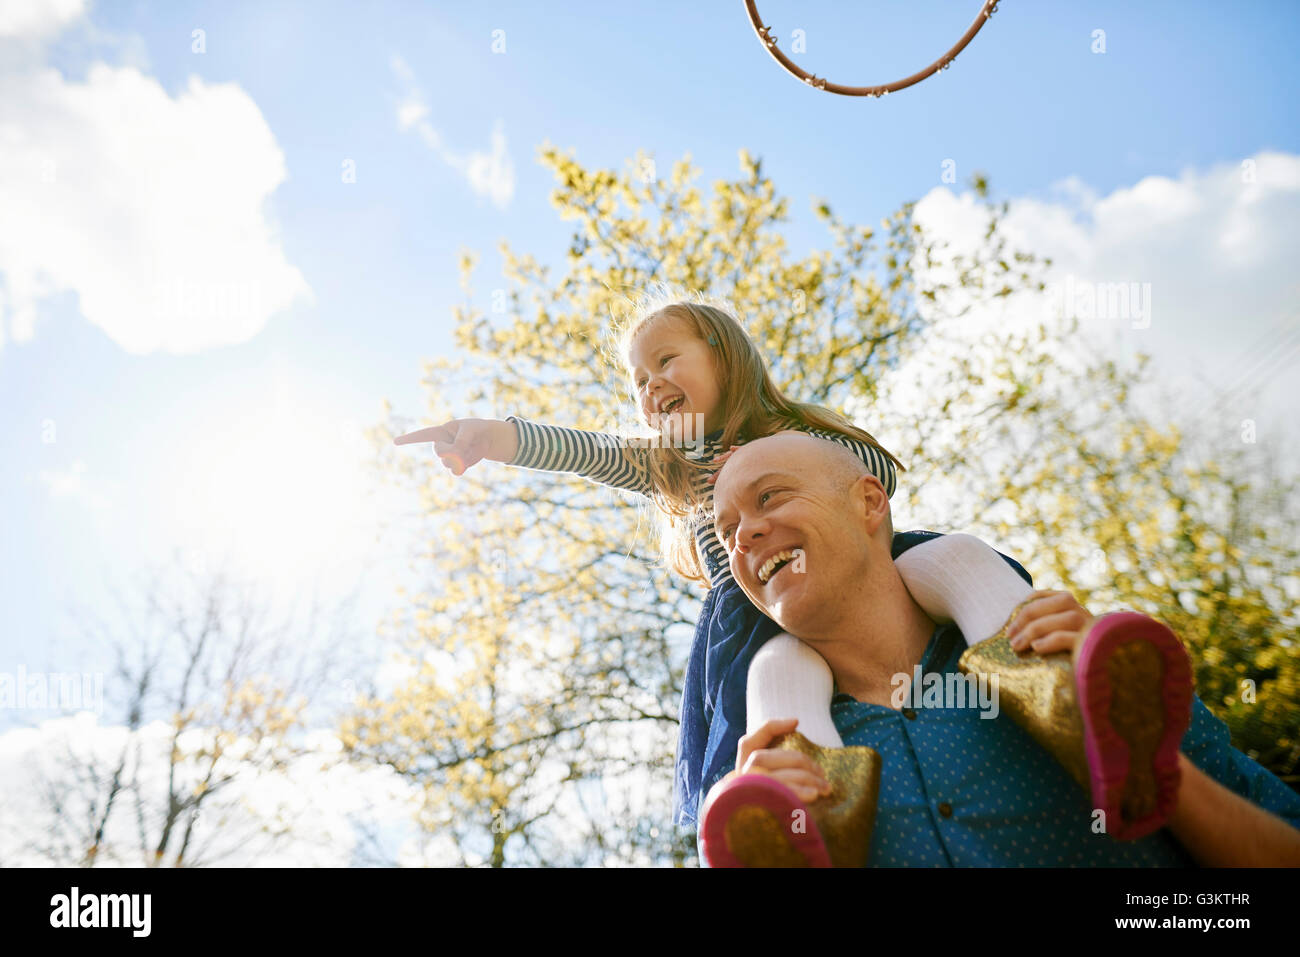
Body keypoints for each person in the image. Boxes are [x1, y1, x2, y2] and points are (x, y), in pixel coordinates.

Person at [393, 292, 1180, 856]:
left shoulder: (788, 428)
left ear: (726, 359)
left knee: (961, 558)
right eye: (637, 379)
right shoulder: (667, 465)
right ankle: (807, 803)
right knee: (776, 674)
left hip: (872, 568)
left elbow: (877, 470)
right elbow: (579, 450)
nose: (649, 383)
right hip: (760, 612)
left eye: (666, 359)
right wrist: (490, 435)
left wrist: (774, 459)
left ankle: (1067, 690)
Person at [705, 431, 1300, 866]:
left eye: (771, 497)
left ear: (868, 503)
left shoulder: (1088, 667)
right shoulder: (780, 785)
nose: (745, 535)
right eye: (727, 529)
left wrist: (1147, 758)